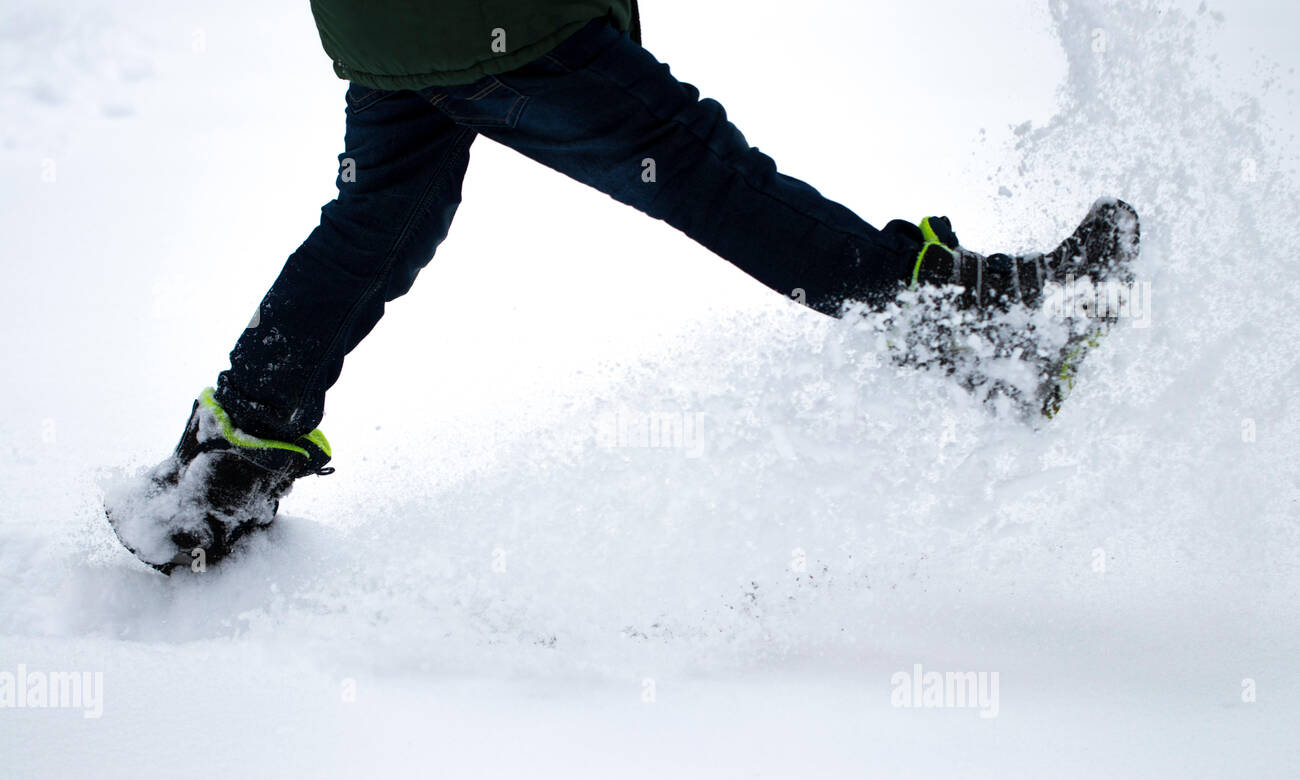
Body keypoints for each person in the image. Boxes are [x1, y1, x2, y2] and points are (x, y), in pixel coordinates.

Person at [108, 1, 1140, 572]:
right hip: (497, 12)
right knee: (703, 171)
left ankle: (229, 455)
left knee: (380, 221)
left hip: (388, 22)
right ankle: (989, 321)